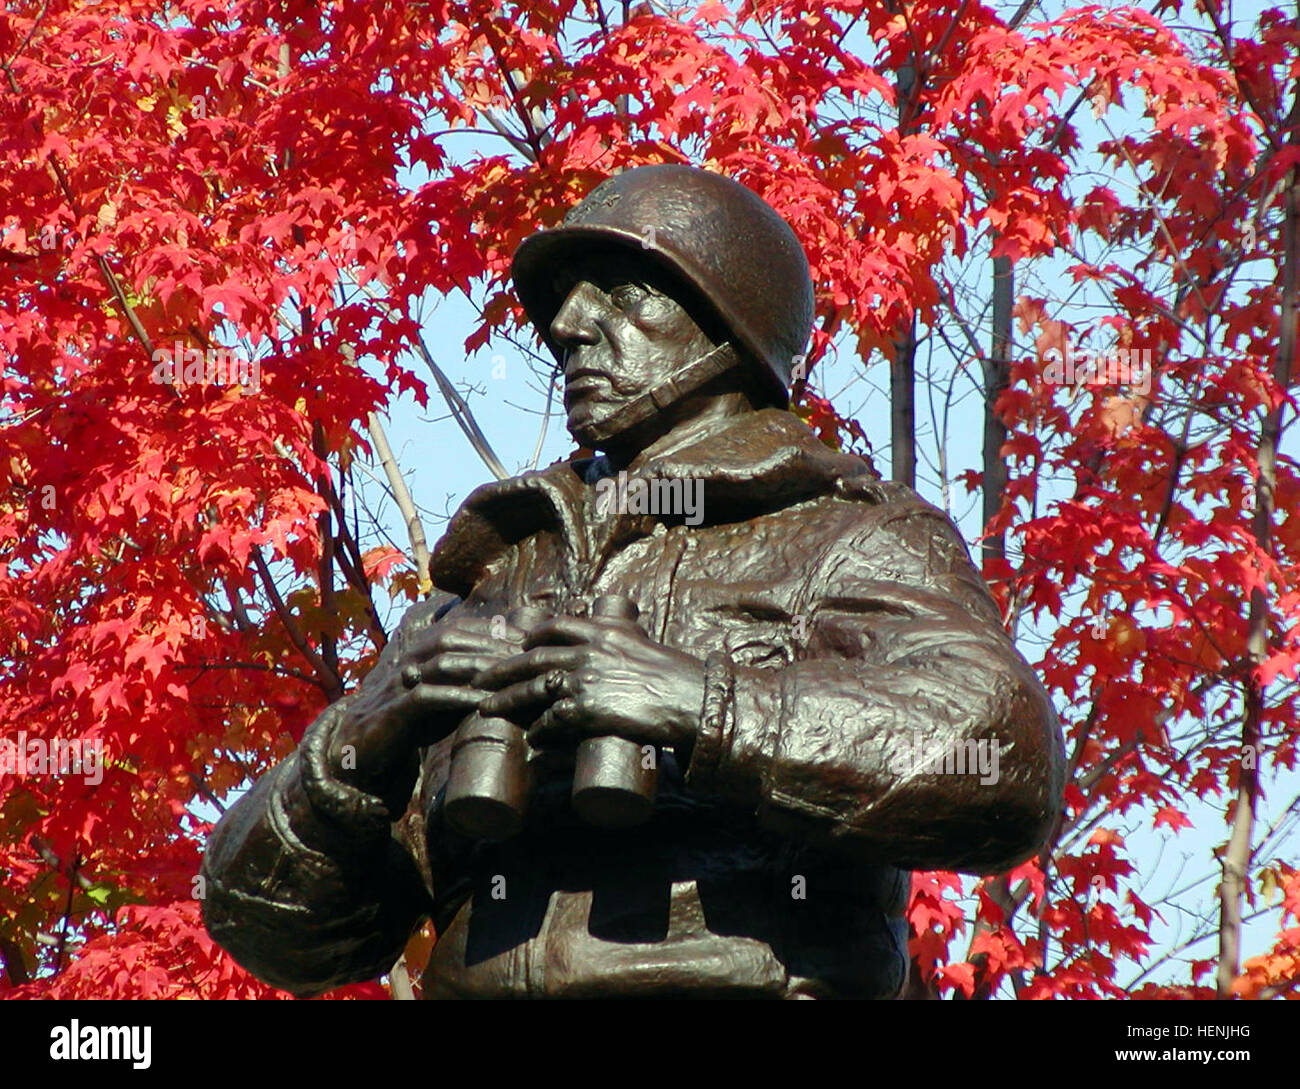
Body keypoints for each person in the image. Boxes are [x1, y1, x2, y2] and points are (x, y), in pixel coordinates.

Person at [200, 163, 1065, 999]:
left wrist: (697, 703)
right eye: (567, 299)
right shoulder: (491, 582)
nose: (569, 324)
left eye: (619, 291)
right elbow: (279, 935)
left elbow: (1006, 762)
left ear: (730, 320)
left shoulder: (843, 533)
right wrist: (363, 733)